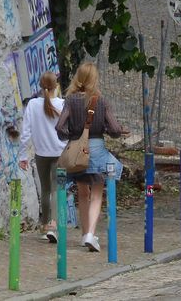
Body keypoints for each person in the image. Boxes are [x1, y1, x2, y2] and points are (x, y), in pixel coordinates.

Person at [55, 62, 127, 252]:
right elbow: (114, 129)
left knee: (82, 194)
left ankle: (85, 234)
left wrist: (71, 137)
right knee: (96, 194)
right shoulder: (100, 101)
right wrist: (114, 131)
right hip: (96, 150)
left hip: (77, 152)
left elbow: (59, 127)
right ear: (94, 79)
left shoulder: (70, 100)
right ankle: (89, 234)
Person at [19, 71, 67, 243]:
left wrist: (23, 155)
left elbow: (25, 133)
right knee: (56, 189)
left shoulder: (32, 105)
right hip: (60, 152)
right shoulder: (63, 104)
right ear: (57, 86)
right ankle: (53, 226)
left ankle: (44, 225)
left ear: (40, 86)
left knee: (45, 190)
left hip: (41, 154)